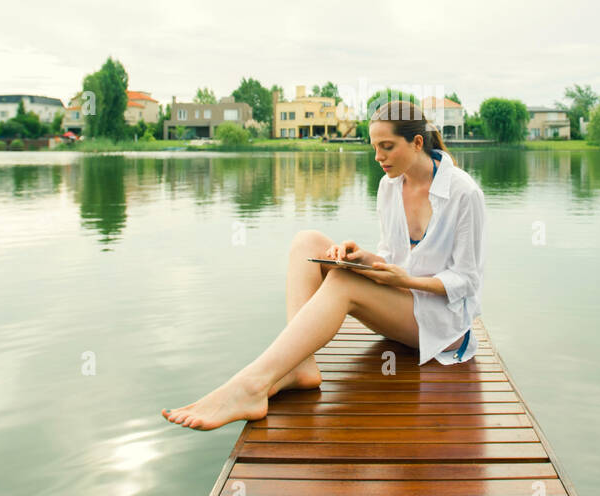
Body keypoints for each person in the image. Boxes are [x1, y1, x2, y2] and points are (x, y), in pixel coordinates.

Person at [162, 99, 486, 430]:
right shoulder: (390, 186)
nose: (378, 157)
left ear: (417, 143)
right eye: (374, 147)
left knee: (342, 284)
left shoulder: (463, 192)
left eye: (387, 147)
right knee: (307, 242)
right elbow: (392, 257)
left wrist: (407, 280)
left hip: (443, 326)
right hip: (403, 303)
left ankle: (251, 385)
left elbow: (468, 280)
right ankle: (300, 365)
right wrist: (363, 258)